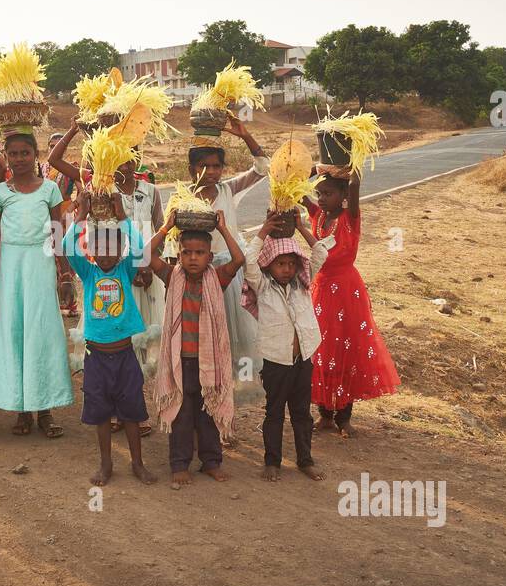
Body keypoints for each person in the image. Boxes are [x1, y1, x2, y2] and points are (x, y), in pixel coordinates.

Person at [0, 131, 73, 437]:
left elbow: (56, 233)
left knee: (40, 334)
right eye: (12, 154)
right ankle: (21, 410)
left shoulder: (50, 189)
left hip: (39, 267)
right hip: (11, 269)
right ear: (5, 156)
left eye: (24, 153)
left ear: (35, 154)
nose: (18, 159)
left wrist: (64, 275)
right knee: (14, 334)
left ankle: (45, 409)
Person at [49, 120, 166, 386]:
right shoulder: (97, 187)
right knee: (114, 336)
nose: (125, 166)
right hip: (110, 275)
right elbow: (54, 159)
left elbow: (159, 232)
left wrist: (150, 266)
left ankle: (135, 406)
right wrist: (75, 129)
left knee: (144, 337)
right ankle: (115, 402)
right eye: (120, 159)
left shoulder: (150, 191)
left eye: (131, 158)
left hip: (144, 272)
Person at [63, 190, 156, 486]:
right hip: (96, 357)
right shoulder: (88, 272)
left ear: (119, 250)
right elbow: (67, 247)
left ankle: (138, 463)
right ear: (91, 251)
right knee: (101, 413)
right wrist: (80, 216)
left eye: (111, 248)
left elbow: (141, 251)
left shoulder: (126, 269)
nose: (105, 254)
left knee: (131, 411)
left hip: (125, 355)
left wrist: (123, 218)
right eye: (99, 248)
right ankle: (106, 464)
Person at [145, 210, 245, 485]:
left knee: (209, 413)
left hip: (208, 363)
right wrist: (166, 227)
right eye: (187, 252)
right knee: (181, 413)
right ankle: (180, 464)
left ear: (209, 257)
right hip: (181, 361)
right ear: (178, 255)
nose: (192, 258)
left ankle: (211, 462)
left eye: (199, 252)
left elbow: (239, 260)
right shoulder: (172, 276)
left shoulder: (216, 278)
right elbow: (146, 255)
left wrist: (223, 229)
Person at [304, 166, 400, 437]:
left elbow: (356, 183)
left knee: (347, 349)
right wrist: (315, 169)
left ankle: (344, 416)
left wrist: (351, 163)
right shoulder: (317, 215)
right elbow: (295, 186)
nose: (321, 198)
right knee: (322, 350)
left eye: (328, 193)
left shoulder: (350, 217)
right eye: (319, 193)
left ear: (344, 195)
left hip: (347, 292)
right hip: (321, 289)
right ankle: (324, 414)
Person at [178, 113, 268, 397]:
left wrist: (245, 136)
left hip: (228, 274)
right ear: (192, 169)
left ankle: (226, 410)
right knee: (204, 343)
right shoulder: (183, 198)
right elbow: (174, 243)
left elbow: (263, 168)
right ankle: (204, 404)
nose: (213, 172)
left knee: (230, 339)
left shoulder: (228, 190)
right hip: (196, 278)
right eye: (205, 166)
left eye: (217, 166)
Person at [244, 210, 333, 480]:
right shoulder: (262, 286)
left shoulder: (302, 284)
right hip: (275, 362)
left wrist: (301, 226)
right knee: (274, 412)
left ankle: (305, 460)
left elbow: (321, 254)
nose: (286, 269)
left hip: (302, 360)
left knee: (301, 413)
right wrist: (263, 230)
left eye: (291, 263)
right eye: (280, 263)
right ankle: (272, 462)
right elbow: (248, 262)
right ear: (269, 264)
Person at [44, 129, 80, 317]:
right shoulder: (43, 169)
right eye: (52, 145)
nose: (55, 147)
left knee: (68, 256)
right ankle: (56, 301)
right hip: (48, 215)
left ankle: (71, 303)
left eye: (58, 145)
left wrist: (73, 205)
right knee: (51, 256)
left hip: (66, 214)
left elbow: (83, 191)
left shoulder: (71, 167)